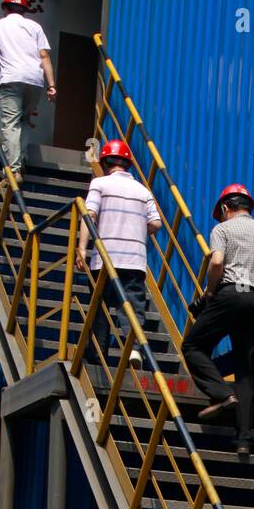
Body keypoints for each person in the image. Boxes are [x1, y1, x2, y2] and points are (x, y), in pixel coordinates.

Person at [182, 184, 254, 458]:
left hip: (233, 294)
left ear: (226, 208)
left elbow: (217, 263)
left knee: (192, 346)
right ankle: (244, 441)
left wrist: (210, 293)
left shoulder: (223, 230)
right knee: (247, 371)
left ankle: (222, 395)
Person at [75, 139, 162, 365]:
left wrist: (82, 248)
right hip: (134, 261)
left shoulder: (100, 184)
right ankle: (133, 349)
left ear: (104, 163)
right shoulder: (143, 191)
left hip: (104, 259)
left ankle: (96, 357)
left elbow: (89, 215)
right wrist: (134, 227)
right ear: (128, 164)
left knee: (100, 309)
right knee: (133, 307)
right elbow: (156, 224)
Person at [0, 0, 57, 182]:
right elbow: (44, 56)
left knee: (11, 124)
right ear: (24, 9)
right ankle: (21, 162)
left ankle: (13, 171)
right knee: (24, 120)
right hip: (35, 81)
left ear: (5, 7)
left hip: (12, 79)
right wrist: (52, 85)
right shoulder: (34, 27)